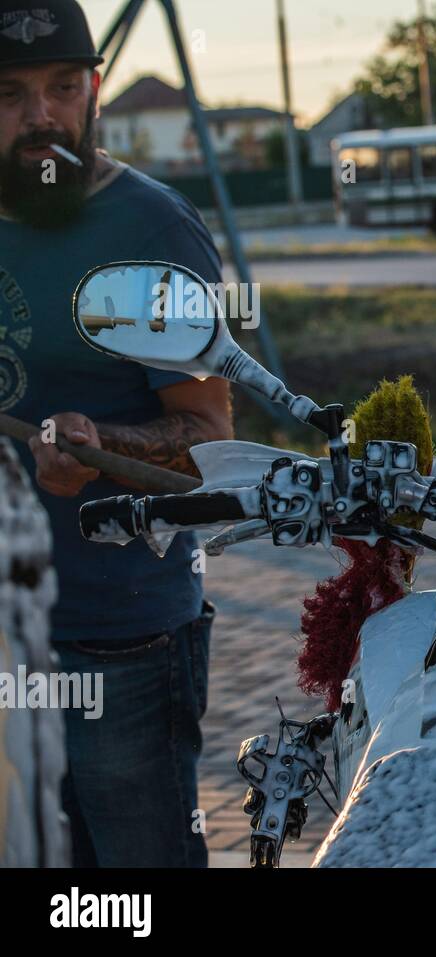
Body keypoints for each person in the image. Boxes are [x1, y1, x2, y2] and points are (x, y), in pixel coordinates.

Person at [0, 0, 233, 866]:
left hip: (117, 635)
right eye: (11, 93)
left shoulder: (150, 229)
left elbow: (209, 436)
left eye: (63, 88)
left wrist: (101, 449)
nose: (40, 117)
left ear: (95, 90)